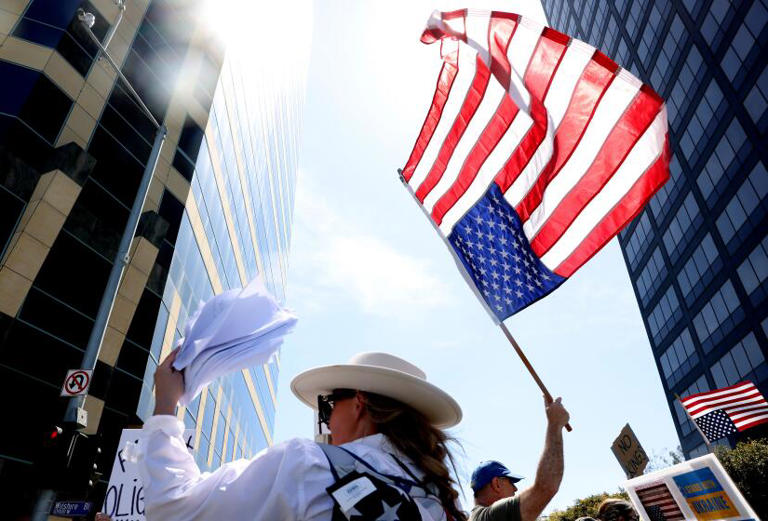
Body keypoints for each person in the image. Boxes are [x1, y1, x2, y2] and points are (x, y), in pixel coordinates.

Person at [138, 350, 467, 520]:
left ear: (359, 404)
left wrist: (166, 404)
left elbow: (174, 509)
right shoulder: (439, 500)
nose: (325, 420)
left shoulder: (307, 466)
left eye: (328, 405)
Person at [468, 396, 570, 521]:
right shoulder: (491, 516)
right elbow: (546, 488)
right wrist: (555, 424)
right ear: (497, 484)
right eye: (511, 482)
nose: (515, 489)